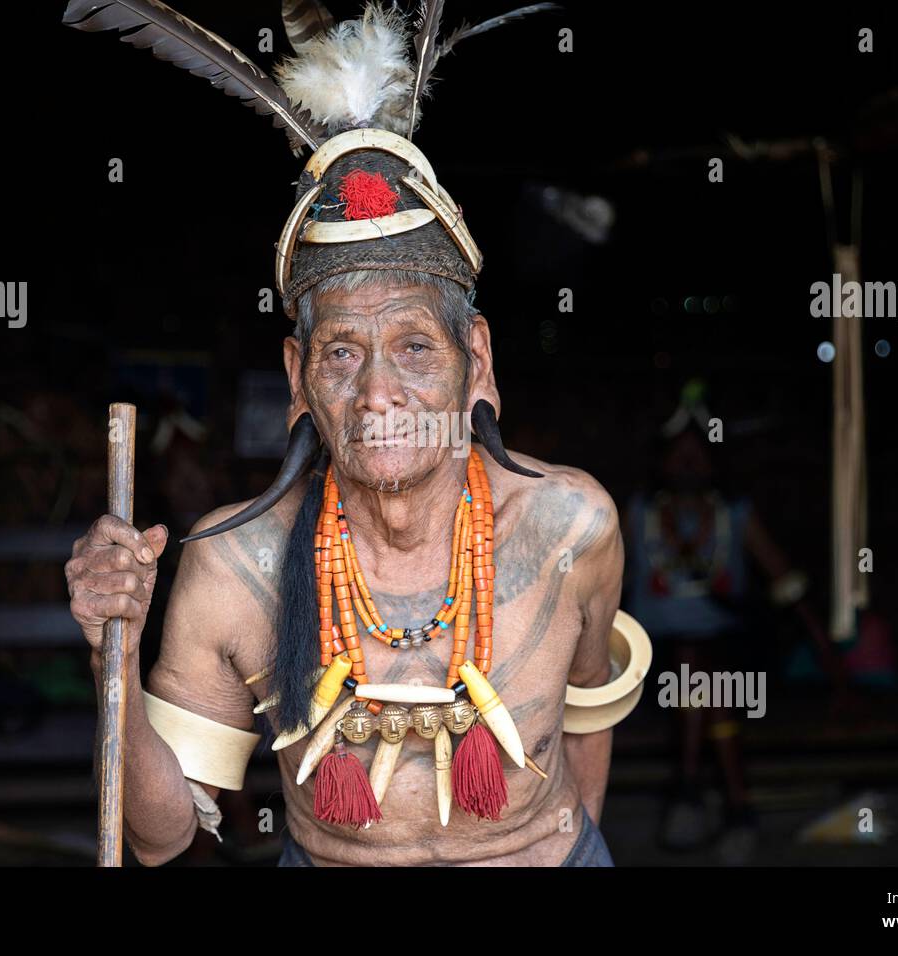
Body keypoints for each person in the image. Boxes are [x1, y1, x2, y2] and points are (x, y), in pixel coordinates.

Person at [62, 0, 624, 866]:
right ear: (297, 378)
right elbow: (161, 838)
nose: (377, 395)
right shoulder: (234, 565)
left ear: (475, 360)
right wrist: (116, 658)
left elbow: (588, 714)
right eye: (341, 354)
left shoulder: (570, 528)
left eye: (414, 347)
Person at [624, 387, 810, 862]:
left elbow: (787, 585)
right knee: (698, 671)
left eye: (698, 454)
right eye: (679, 454)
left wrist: (832, 659)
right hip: (654, 661)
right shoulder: (638, 515)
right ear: (662, 461)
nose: (688, 463)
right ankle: (738, 810)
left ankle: (689, 795)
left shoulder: (735, 515)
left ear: (714, 462)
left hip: (726, 653)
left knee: (706, 672)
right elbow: (600, 584)